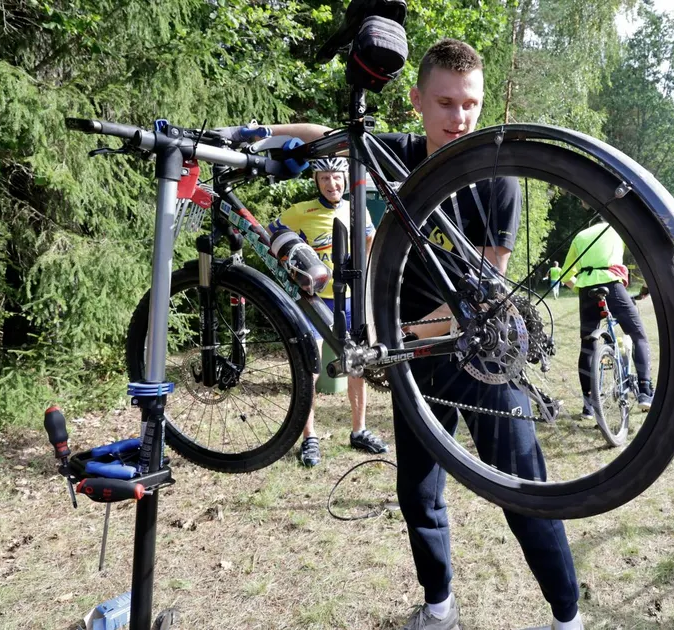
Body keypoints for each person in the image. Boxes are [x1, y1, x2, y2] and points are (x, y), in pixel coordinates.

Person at [222, 39, 583, 630]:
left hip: (483, 358)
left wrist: (401, 335)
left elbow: (485, 294)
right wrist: (251, 134)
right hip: (416, 360)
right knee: (417, 492)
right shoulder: (398, 155)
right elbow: (325, 137)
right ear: (416, 100)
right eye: (445, 102)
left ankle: (567, 618)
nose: (459, 118)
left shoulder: (497, 178)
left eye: (470, 103)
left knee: (522, 492)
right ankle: (439, 607)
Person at [267, 157, 388, 467]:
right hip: (314, 302)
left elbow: (371, 238)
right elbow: (272, 236)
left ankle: (359, 431)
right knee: (310, 369)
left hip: (350, 300)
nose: (331, 184)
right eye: (324, 178)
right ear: (316, 181)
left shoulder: (356, 208)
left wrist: (368, 272)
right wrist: (289, 264)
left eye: (336, 177)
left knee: (357, 365)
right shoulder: (301, 211)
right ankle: (309, 437)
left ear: (345, 179)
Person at [562, 221, 654, 421]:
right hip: (612, 285)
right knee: (638, 335)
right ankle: (645, 390)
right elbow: (643, 257)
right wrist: (647, 288)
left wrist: (582, 289)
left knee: (587, 345)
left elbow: (566, 275)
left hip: (587, 290)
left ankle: (588, 405)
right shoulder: (617, 227)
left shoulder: (581, 235)